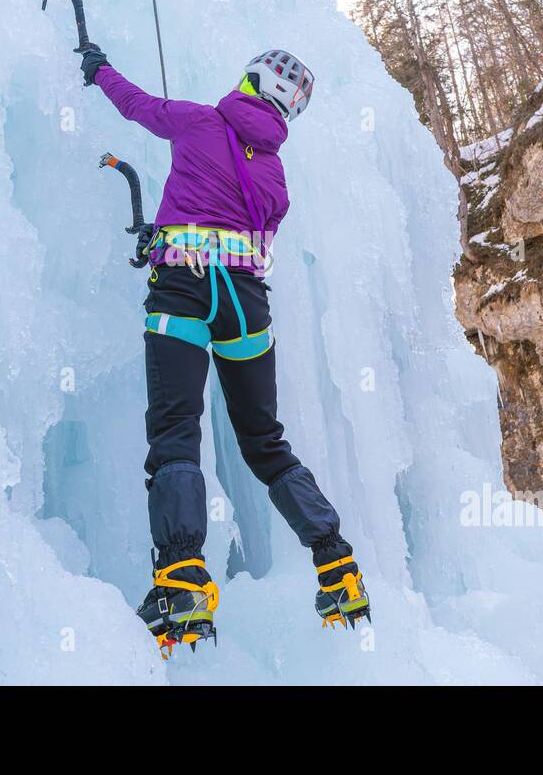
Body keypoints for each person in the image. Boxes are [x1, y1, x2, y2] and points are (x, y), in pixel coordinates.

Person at [78, 44, 370, 658]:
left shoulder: (199, 120)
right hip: (244, 300)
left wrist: (98, 67)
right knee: (264, 441)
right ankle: (336, 564)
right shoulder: (275, 174)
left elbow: (136, 105)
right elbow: (254, 234)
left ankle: (182, 577)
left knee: (176, 430)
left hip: (184, 282)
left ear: (248, 81)